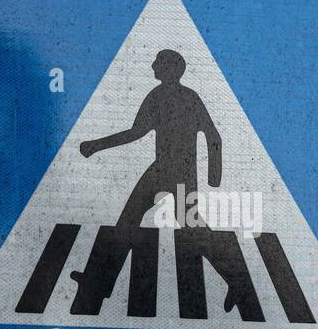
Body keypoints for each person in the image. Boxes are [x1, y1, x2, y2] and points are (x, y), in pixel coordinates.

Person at [80, 49, 221, 228]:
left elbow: (213, 136)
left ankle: (217, 246)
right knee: (133, 217)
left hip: (179, 172)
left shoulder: (186, 97)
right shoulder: (158, 95)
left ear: (170, 68)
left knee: (183, 220)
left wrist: (214, 178)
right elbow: (136, 132)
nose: (153, 66)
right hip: (167, 169)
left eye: (158, 62)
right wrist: (96, 145)